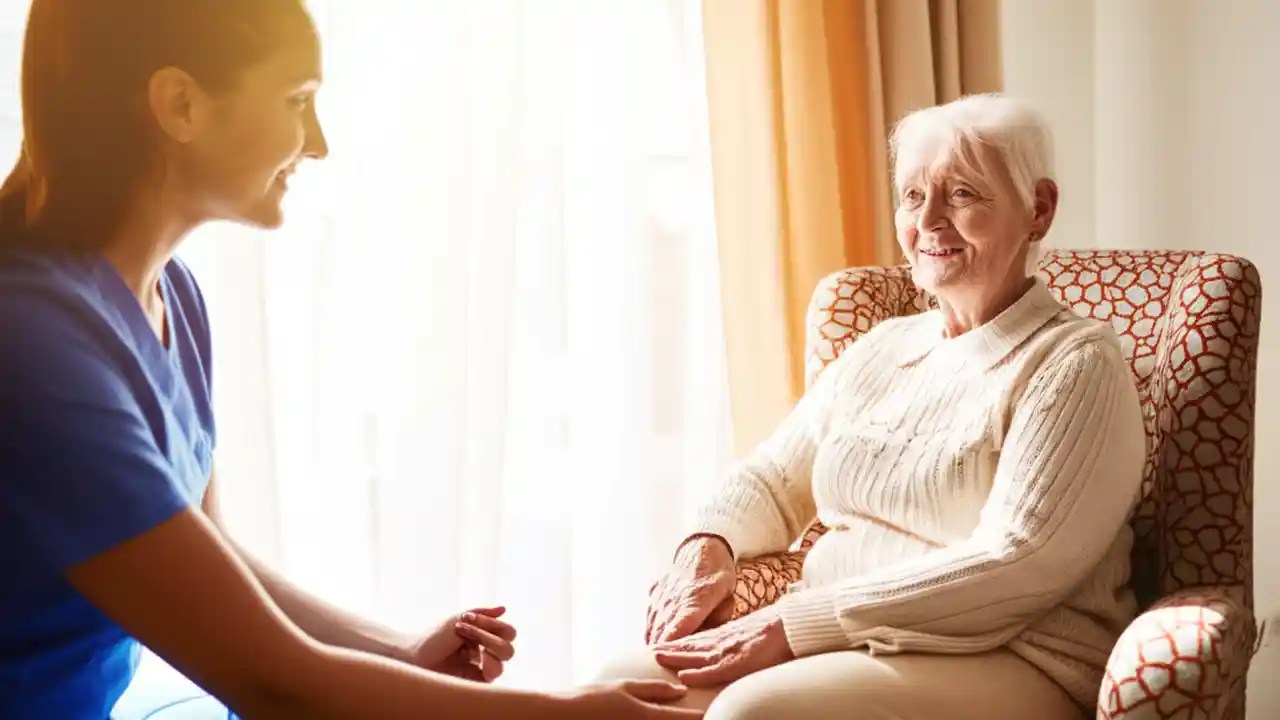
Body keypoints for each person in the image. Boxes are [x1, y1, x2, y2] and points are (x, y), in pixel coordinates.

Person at [0, 2, 701, 718]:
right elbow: (273, 685)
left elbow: (207, 561)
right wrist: (569, 714)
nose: (319, 143)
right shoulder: (33, 347)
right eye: (297, 101)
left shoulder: (171, 295)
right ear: (180, 103)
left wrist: (393, 649)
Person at [610, 94, 1146, 719]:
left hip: (1020, 655)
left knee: (754, 713)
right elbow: (774, 479)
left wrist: (796, 624)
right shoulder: (885, 346)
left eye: (964, 194)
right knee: (614, 691)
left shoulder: (1074, 363)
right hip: (850, 644)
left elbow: (1015, 560)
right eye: (913, 197)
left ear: (1039, 209)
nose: (930, 222)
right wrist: (709, 543)